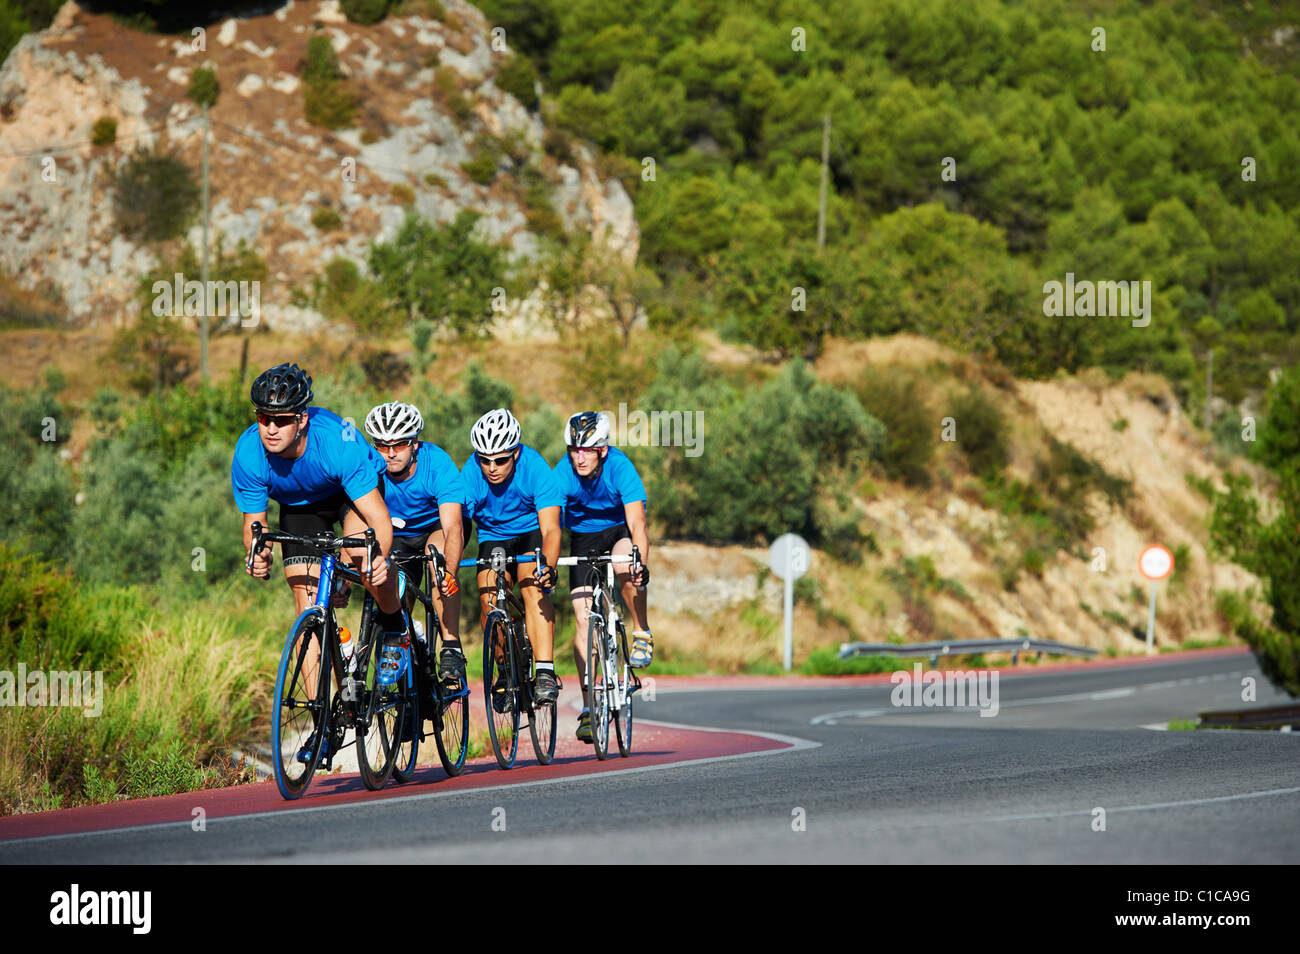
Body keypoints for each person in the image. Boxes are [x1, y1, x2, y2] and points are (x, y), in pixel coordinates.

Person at [233, 363, 411, 759]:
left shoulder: (337, 443)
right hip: (300, 507)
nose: (271, 429)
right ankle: (322, 724)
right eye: (264, 418)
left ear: (302, 419)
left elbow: (379, 520)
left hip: (350, 494)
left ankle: (395, 621)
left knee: (360, 554)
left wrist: (379, 559)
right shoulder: (248, 451)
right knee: (307, 606)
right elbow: (255, 527)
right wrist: (257, 557)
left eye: (281, 420)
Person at [553, 411, 652, 744]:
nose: (579, 457)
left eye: (587, 450)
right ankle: (586, 707)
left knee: (627, 564)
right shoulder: (563, 472)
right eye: (573, 449)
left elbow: (638, 523)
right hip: (581, 538)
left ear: (603, 450)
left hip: (616, 532)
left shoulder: (620, 467)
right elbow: (549, 522)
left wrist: (640, 561)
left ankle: (641, 631)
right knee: (583, 621)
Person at [460, 408, 564, 707]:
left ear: (516, 454)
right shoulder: (471, 472)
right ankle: (505, 669)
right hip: (493, 536)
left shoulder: (535, 467)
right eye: (485, 460)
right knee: (488, 594)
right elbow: (460, 525)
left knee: (533, 586)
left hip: (531, 531)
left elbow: (552, 529)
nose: (492, 467)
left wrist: (550, 567)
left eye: (501, 460)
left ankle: (544, 671)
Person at [364, 400, 469, 687]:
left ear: (415, 444)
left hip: (436, 526)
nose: (390, 453)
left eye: (399, 444)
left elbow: (452, 527)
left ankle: (450, 645)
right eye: (382, 445)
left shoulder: (437, 464)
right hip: (397, 534)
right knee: (394, 596)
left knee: (437, 562)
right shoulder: (371, 468)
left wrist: (448, 571)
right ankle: (409, 685)